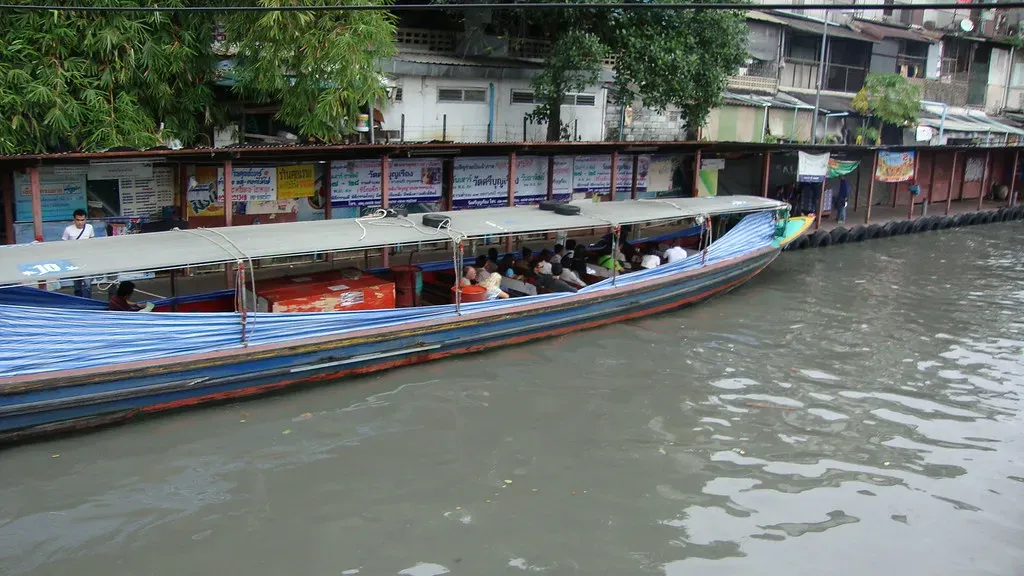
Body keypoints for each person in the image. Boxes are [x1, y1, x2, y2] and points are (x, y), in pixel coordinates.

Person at [62, 208, 95, 299]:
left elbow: (92, 241)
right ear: (74, 219)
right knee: (77, 285)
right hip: (74, 260)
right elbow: (63, 245)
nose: (80, 222)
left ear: (85, 219)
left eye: (82, 220)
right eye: (78, 220)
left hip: (86, 259)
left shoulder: (89, 228)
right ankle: (79, 301)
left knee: (87, 284)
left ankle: (89, 302)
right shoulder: (68, 229)